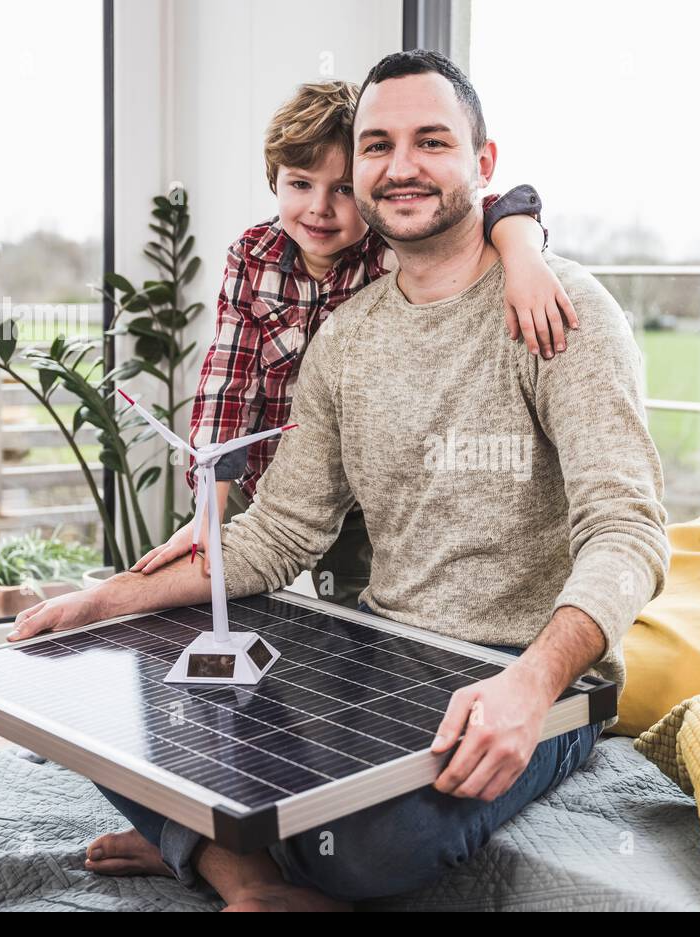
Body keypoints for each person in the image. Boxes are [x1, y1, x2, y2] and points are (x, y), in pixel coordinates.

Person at [8, 49, 670, 912]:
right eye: (378, 145)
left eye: (431, 141)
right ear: (357, 171)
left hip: (531, 677)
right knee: (116, 706)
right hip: (384, 647)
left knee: (371, 844)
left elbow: (630, 530)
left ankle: (203, 843)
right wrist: (102, 601)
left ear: (483, 163)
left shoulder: (559, 309)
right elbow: (279, 532)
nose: (401, 166)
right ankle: (237, 869)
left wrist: (533, 684)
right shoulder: (347, 339)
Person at [131, 80, 576, 610]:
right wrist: (208, 510)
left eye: (343, 189)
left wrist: (524, 257)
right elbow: (228, 384)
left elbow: (506, 203)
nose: (319, 209)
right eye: (299, 184)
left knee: (353, 607)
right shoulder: (252, 258)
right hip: (262, 480)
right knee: (225, 589)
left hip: (367, 496)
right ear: (273, 183)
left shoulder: (389, 250)